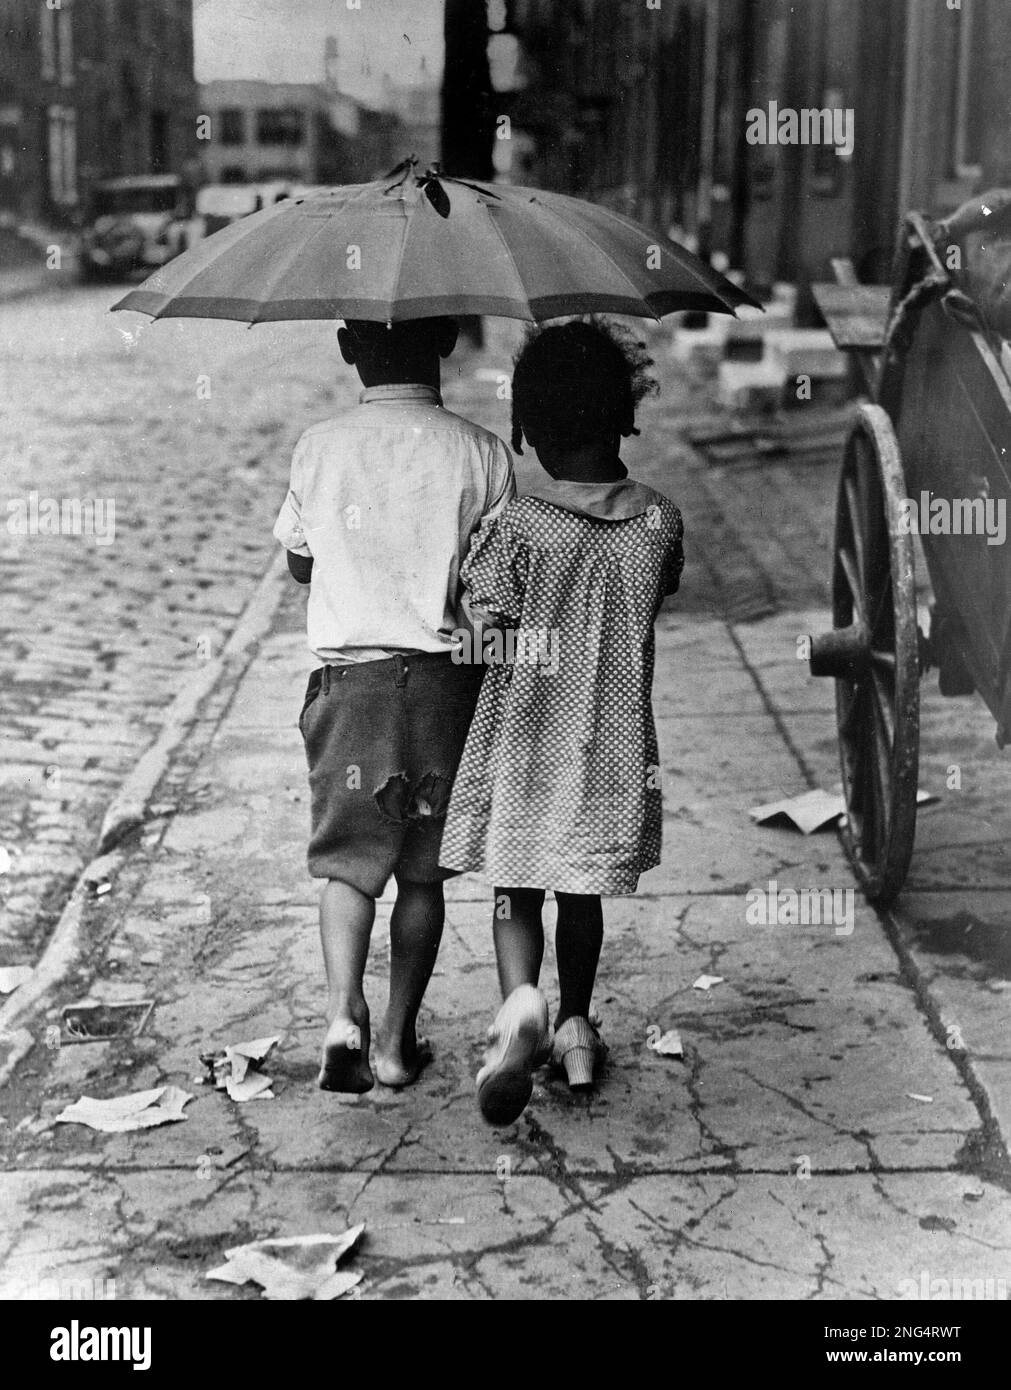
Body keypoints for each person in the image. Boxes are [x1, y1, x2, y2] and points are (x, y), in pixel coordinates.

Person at [439, 319, 684, 1125]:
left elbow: (482, 636)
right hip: (612, 747)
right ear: (624, 415)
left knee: (517, 883)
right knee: (583, 889)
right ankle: (576, 1024)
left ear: (528, 430)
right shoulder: (657, 522)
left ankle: (520, 1008)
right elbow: (658, 594)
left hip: (522, 738)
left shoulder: (517, 527)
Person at [273, 317, 514, 1094]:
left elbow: (299, 562)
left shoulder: (320, 445)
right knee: (421, 875)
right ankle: (395, 1046)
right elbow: (496, 581)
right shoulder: (480, 451)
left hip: (352, 688)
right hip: (444, 686)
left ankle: (345, 1014)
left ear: (348, 347)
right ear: (446, 340)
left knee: (346, 868)